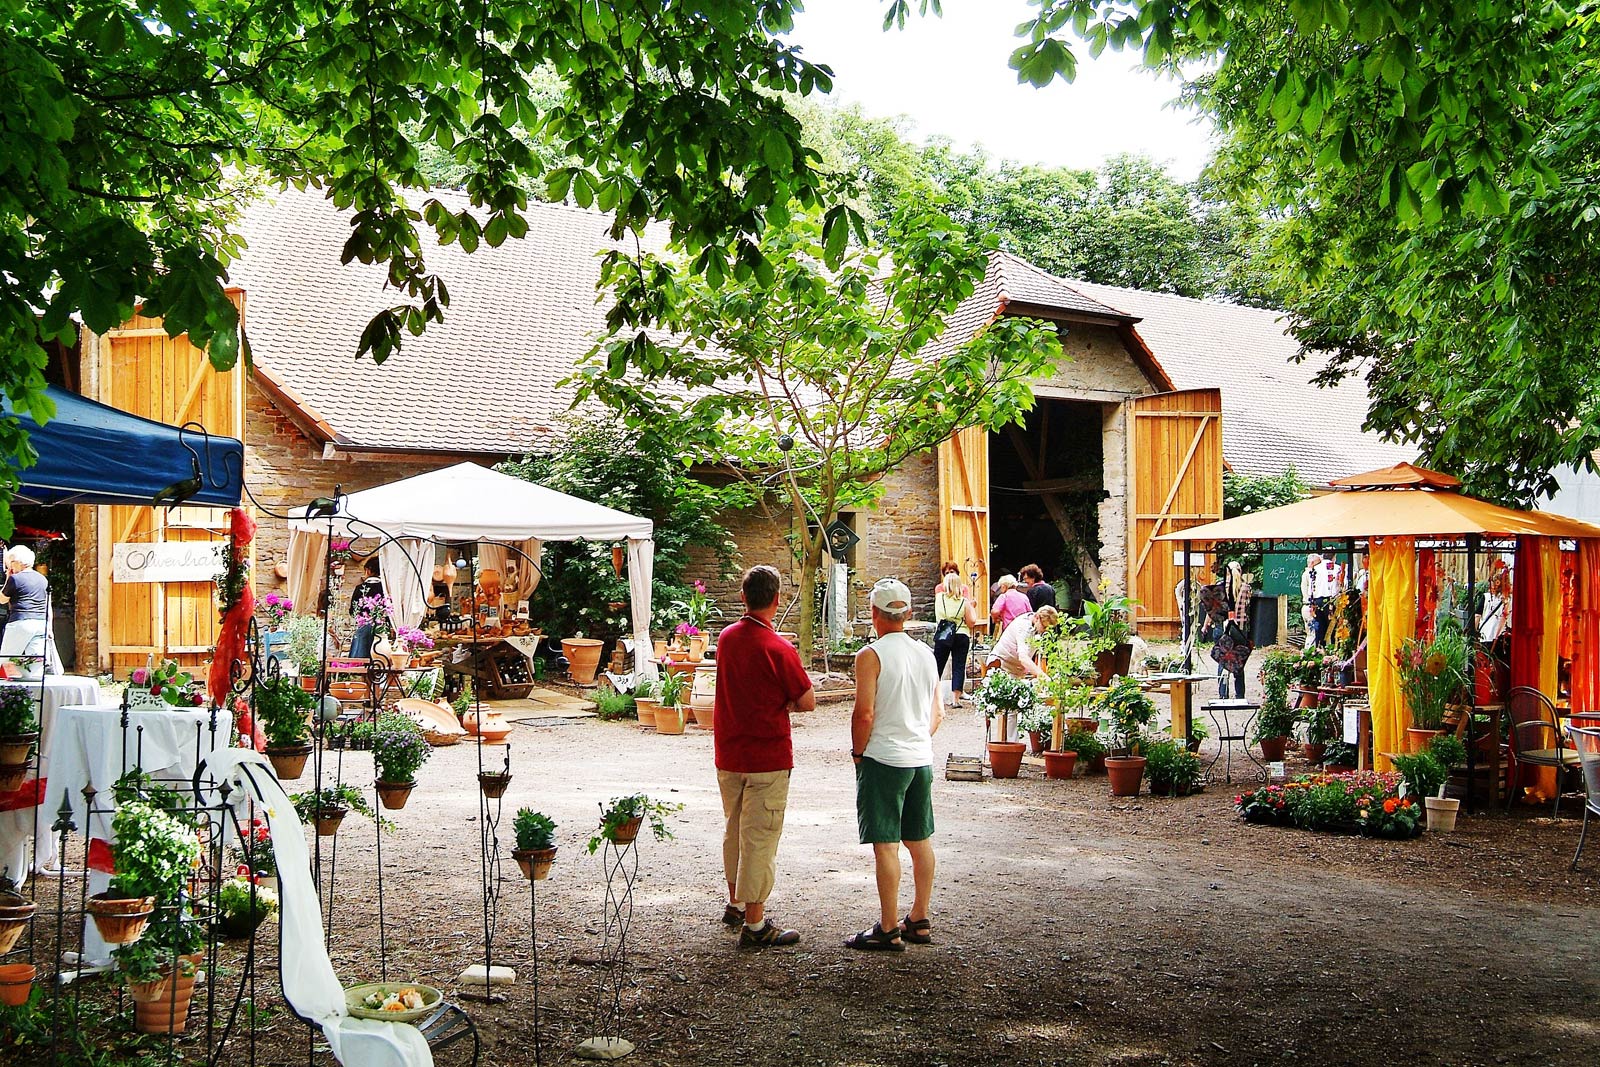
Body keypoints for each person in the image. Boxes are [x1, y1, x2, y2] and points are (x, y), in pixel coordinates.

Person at [712, 565, 815, 949]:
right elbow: (808, 701)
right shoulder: (779, 648)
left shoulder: (726, 638)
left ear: (743, 597)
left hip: (729, 751)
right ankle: (755, 925)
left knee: (734, 829)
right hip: (767, 756)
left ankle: (736, 902)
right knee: (760, 838)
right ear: (776, 600)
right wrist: (784, 698)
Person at [845, 578, 942, 952]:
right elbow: (937, 713)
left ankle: (888, 926)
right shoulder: (926, 654)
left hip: (884, 758)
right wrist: (918, 737)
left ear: (874, 614)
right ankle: (919, 916)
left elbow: (864, 712)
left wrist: (858, 752)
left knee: (885, 844)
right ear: (909, 613)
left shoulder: (871, 655)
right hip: (920, 758)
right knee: (920, 840)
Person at [932, 571, 978, 706]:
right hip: (961, 634)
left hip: (943, 634)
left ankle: (931, 697)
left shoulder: (939, 597)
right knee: (958, 666)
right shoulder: (964, 602)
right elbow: (972, 621)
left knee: (937, 665)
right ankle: (955, 699)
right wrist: (972, 607)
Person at [986, 605, 1059, 680]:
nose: (1045, 631)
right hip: (1000, 668)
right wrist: (1042, 676)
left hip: (1017, 673)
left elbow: (1039, 655)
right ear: (1037, 617)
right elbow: (1023, 657)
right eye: (1044, 627)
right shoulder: (1023, 626)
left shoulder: (1037, 627)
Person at [349, 556, 384, 658]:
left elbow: (353, 611)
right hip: (381, 631)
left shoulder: (360, 588)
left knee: (358, 661)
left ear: (368, 570)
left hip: (363, 629)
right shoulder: (385, 589)